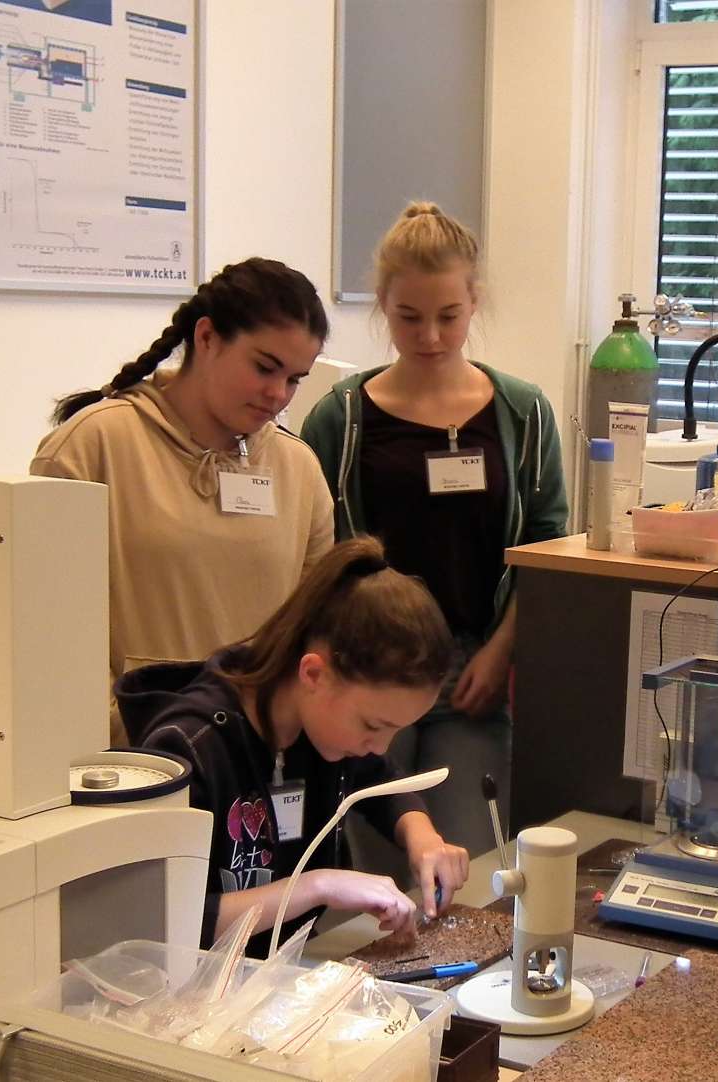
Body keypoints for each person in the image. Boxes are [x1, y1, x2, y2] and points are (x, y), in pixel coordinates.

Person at [301, 203, 567, 854]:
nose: (429, 337)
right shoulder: (341, 419)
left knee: (468, 866)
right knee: (384, 879)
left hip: (473, 669)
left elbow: (545, 544)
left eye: (448, 316)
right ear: (382, 306)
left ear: (475, 301)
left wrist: (501, 649)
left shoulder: (523, 412)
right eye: (408, 318)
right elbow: (317, 556)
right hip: (369, 671)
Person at [117, 536, 470, 951]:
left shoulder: (321, 726)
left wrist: (424, 839)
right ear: (313, 674)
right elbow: (156, 920)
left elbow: (380, 778)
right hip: (193, 992)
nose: (378, 746)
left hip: (283, 971)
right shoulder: (191, 748)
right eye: (374, 725)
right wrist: (317, 885)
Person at [32, 258, 337, 739]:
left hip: (251, 759)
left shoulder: (297, 468)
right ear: (207, 338)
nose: (278, 394)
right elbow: (44, 635)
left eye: (295, 378)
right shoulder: (90, 449)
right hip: (131, 757)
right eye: (264, 367)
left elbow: (313, 631)